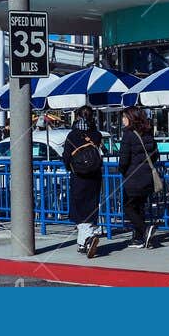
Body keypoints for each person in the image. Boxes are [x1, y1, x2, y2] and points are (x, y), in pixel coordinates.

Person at [116, 107, 163, 249]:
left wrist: (122, 170)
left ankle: (144, 230)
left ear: (130, 118)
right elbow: (155, 154)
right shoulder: (148, 132)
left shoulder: (128, 134)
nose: (122, 120)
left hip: (133, 176)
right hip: (147, 175)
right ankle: (139, 238)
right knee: (139, 206)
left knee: (128, 207)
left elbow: (124, 158)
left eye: (124, 117)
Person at [62, 107, 105, 258]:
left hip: (78, 176)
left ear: (77, 117)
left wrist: (72, 167)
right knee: (92, 205)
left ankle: (88, 237)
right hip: (95, 176)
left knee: (78, 208)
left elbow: (66, 157)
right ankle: (82, 243)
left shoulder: (72, 135)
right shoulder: (97, 135)